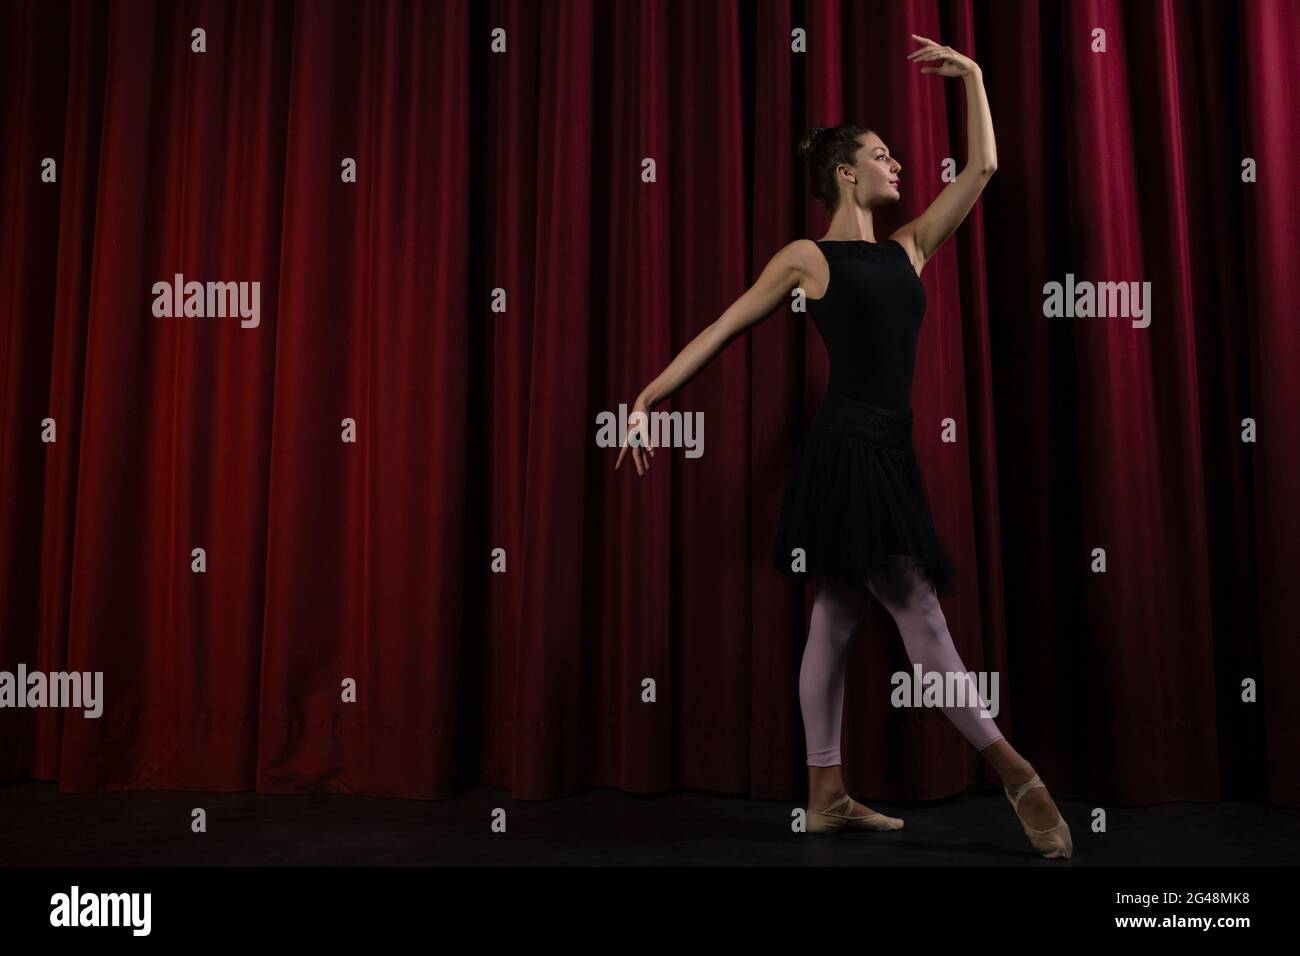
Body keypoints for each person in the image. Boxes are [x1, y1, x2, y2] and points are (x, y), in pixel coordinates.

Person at [615, 35, 1070, 859]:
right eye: (883, 155)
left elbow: (983, 170)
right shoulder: (806, 258)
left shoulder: (911, 248)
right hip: (846, 451)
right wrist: (650, 395)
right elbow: (723, 328)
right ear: (846, 173)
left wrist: (970, 76)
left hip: (890, 452)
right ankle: (1015, 772)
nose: (899, 165)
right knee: (918, 610)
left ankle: (825, 796)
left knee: (836, 616)